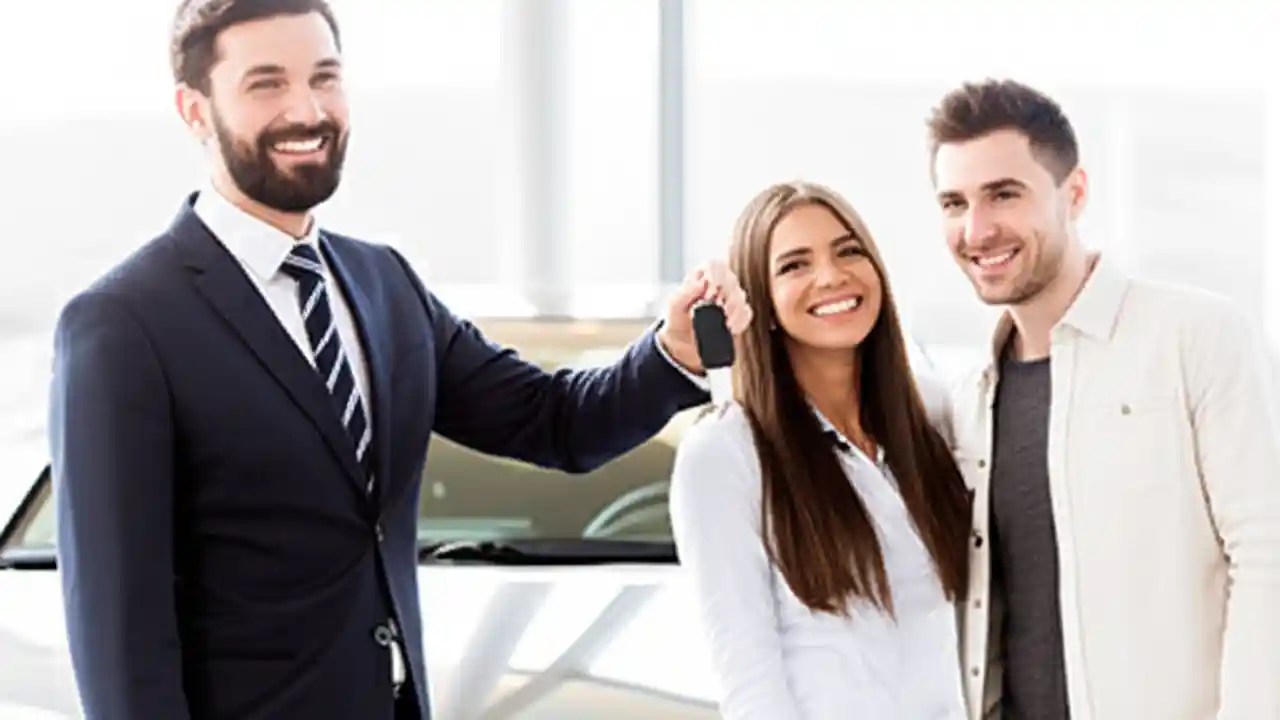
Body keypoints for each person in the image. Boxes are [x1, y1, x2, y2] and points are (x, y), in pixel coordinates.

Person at [47, 2, 751, 719]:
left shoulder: (384, 286)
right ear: (194, 110)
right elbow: (120, 630)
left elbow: (556, 424)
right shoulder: (122, 324)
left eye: (325, 78)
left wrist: (671, 354)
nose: (306, 109)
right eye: (266, 84)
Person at [930, 79, 1280, 720]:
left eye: (1004, 194)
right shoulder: (967, 398)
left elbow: (1269, 557)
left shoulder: (1196, 336)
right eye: (954, 202)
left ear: (1076, 193)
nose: (976, 229)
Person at [668, 181, 973, 719]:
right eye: (794, 265)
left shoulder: (931, 411)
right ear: (756, 302)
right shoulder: (725, 453)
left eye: (848, 251)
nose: (831, 276)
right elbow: (747, 678)